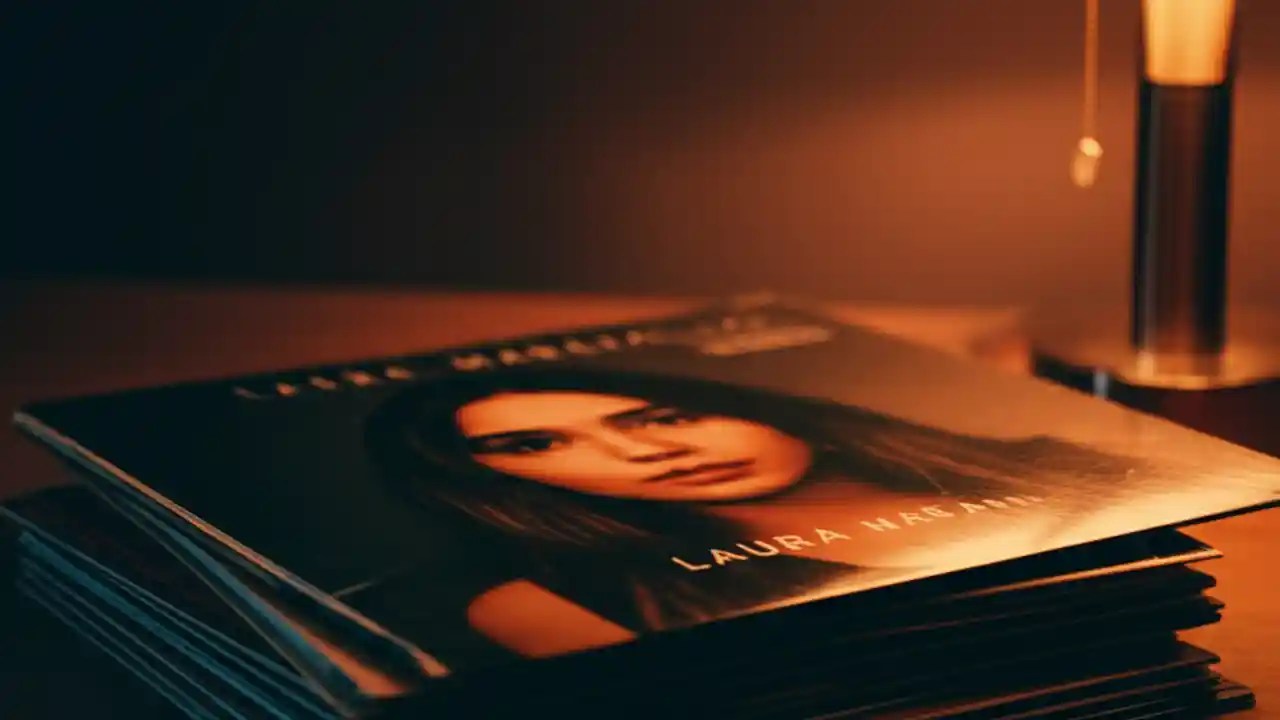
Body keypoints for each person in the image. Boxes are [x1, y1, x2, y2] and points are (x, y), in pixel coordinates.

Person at [364, 365, 1142, 660]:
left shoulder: (1073, 469)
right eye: (536, 445)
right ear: (489, 480)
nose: (645, 452)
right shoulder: (550, 599)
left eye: (666, 417)